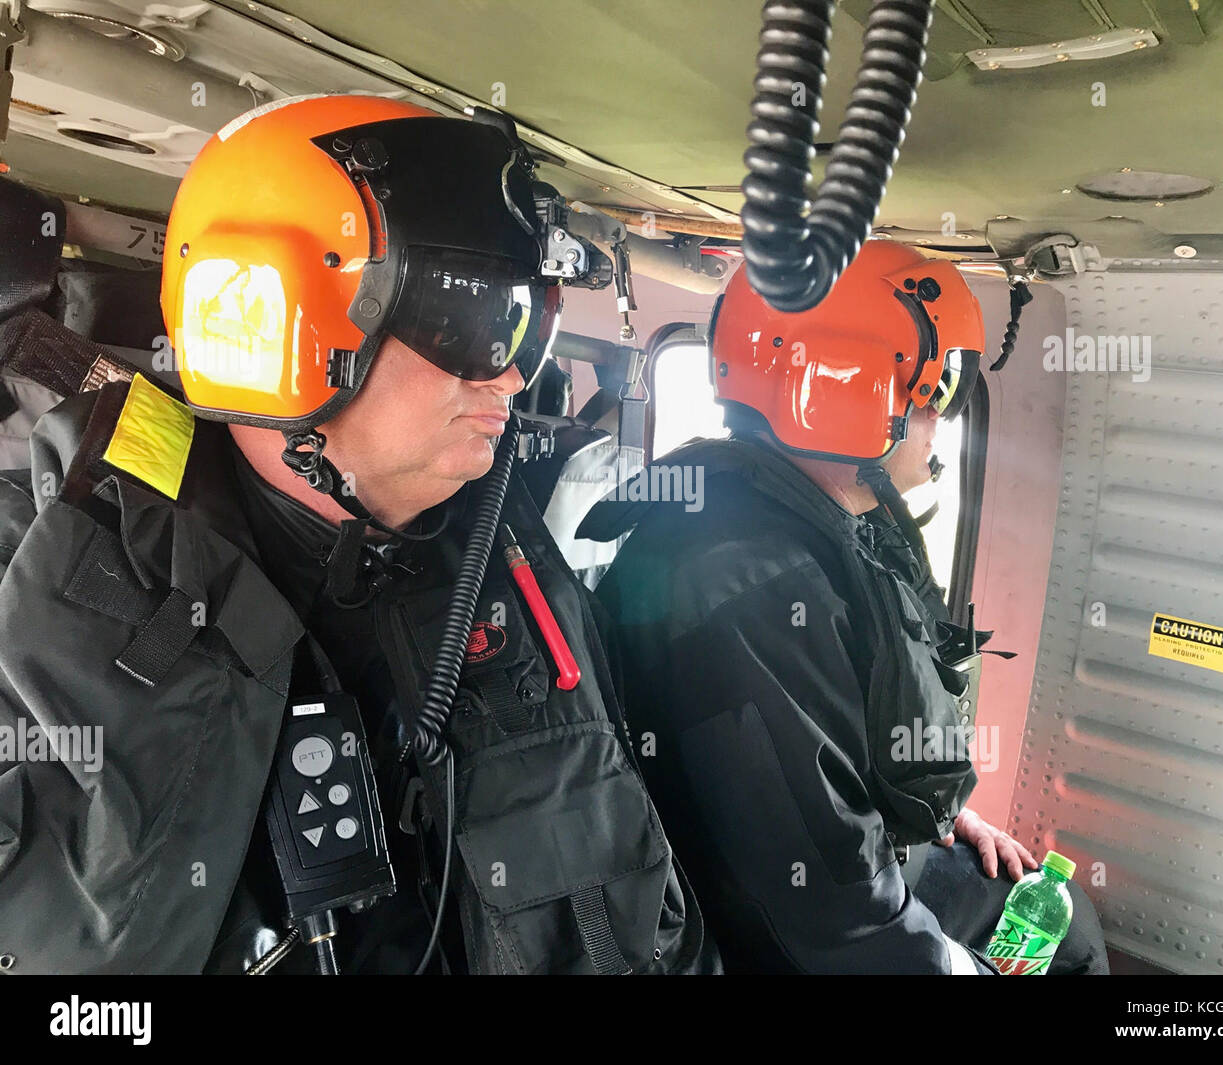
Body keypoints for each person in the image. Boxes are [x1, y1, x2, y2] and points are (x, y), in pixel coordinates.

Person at [0, 95, 717, 975]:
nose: (510, 371)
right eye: (471, 315)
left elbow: (647, 897)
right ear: (282, 329)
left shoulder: (507, 549)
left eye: (531, 322)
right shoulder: (47, 585)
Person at [582, 240, 1108, 974]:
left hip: (856, 863)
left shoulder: (818, 530)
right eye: (938, 389)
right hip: (780, 932)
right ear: (850, 394)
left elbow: (845, 734)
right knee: (1066, 954)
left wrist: (946, 817)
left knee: (1066, 919)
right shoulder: (747, 584)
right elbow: (831, 917)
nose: (944, 419)